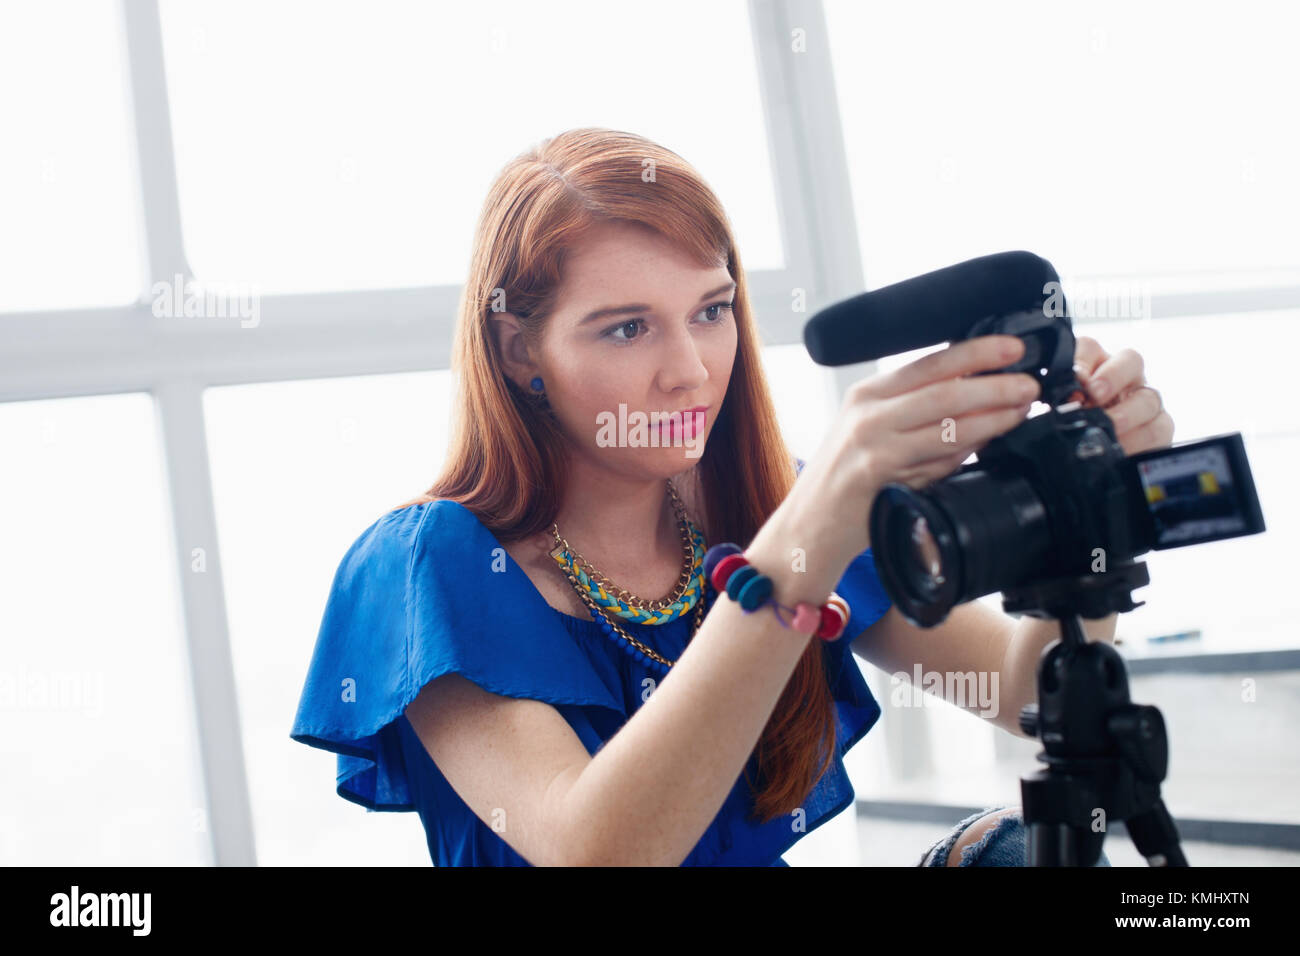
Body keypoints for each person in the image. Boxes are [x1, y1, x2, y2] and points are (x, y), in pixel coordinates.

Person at [290, 127, 1174, 866]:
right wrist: (804, 538)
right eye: (627, 328)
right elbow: (603, 850)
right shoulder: (426, 565)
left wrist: (1094, 513)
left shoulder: (765, 505)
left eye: (711, 311)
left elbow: (1024, 689)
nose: (690, 371)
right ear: (520, 350)